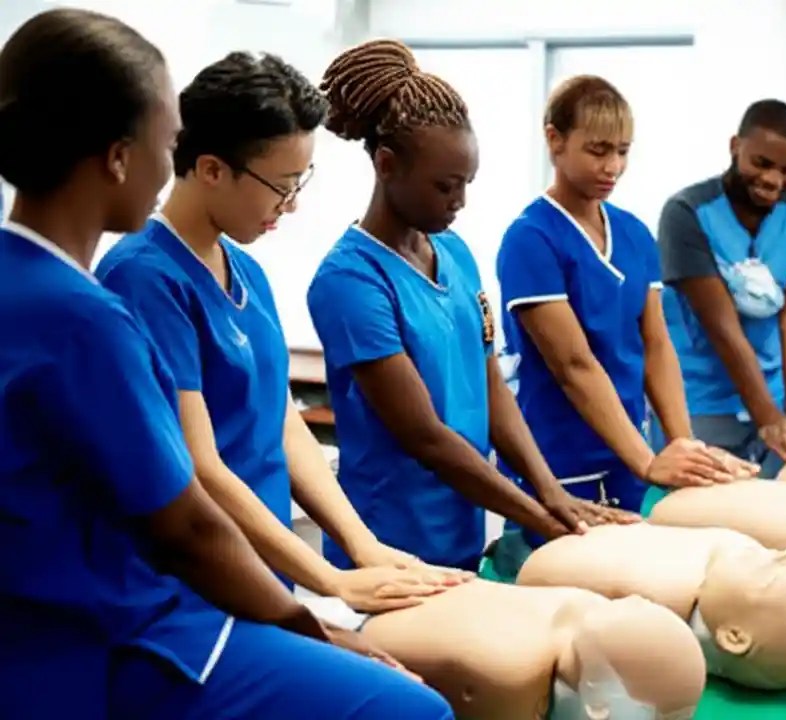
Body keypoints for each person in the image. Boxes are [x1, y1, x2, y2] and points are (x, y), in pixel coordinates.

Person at [0, 9, 452, 719]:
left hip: (220, 585)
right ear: (121, 156)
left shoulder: (52, 288)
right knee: (414, 707)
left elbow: (277, 420)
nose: (168, 164)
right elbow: (190, 516)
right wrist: (321, 610)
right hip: (136, 622)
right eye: (167, 143)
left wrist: (359, 552)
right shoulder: (101, 304)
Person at [96, 51, 464, 613]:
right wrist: (328, 578)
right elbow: (201, 467)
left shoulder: (247, 272)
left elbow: (284, 425)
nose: (290, 207)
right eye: (282, 185)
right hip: (193, 590)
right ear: (213, 169)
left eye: (302, 183)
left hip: (265, 580)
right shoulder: (145, 277)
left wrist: (364, 547)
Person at [307, 40, 634, 574]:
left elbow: (491, 386)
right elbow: (426, 437)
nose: (459, 201)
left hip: (459, 535)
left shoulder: (454, 252)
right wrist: (539, 516)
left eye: (466, 184)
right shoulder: (349, 282)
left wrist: (550, 490)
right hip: (386, 549)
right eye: (444, 186)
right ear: (387, 165)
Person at [495, 74, 750, 534]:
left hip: (629, 457)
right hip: (560, 466)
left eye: (623, 151)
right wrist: (648, 462)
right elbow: (574, 365)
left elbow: (656, 345)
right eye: (597, 150)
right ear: (555, 140)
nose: (612, 166)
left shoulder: (633, 234)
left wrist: (684, 446)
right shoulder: (530, 239)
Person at [658, 99, 786, 476]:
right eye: (761, 164)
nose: (773, 180)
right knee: (707, 520)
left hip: (775, 399)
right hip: (701, 404)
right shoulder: (686, 212)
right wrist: (770, 421)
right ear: (735, 146)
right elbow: (722, 327)